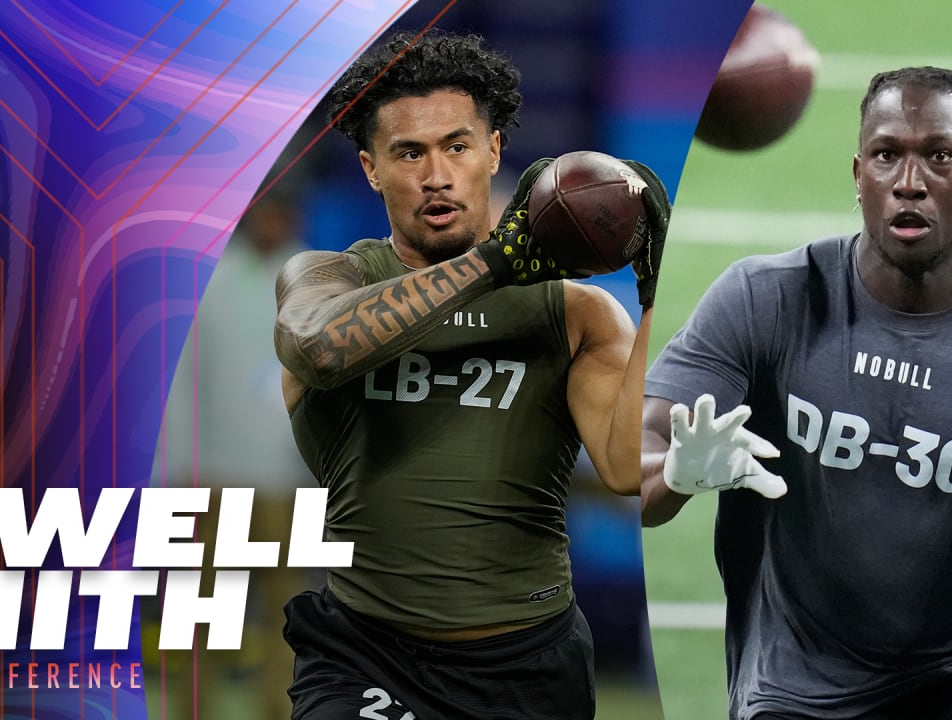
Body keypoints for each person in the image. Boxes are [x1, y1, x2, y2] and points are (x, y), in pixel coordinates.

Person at [641, 66, 952, 720]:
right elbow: (639, 464)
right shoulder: (763, 299)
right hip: (793, 678)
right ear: (857, 174)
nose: (909, 183)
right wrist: (675, 473)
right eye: (886, 155)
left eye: (939, 157)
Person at [272, 30, 669, 719]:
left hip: (528, 664)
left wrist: (659, 293)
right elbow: (318, 348)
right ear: (370, 169)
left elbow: (627, 468)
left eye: (456, 146)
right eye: (408, 153)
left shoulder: (576, 312)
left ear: (492, 151)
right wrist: (498, 264)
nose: (436, 175)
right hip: (365, 655)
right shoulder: (327, 278)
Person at [152, 190, 318, 720]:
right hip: (213, 473)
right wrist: (177, 465)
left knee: (288, 607)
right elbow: (179, 380)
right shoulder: (211, 285)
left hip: (287, 477)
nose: (273, 222)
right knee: (202, 603)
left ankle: (277, 706)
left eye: (281, 213)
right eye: (264, 214)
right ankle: (192, 706)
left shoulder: (320, 284)